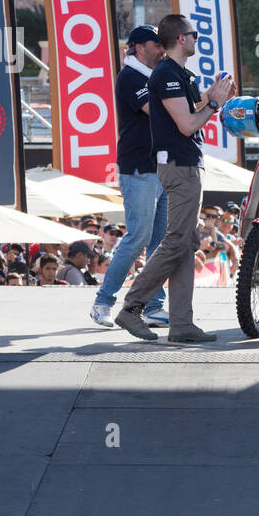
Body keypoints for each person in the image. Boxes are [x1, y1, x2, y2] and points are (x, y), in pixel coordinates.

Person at [115, 14, 235, 343]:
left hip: (185, 164)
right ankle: (132, 307)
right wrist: (213, 104)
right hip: (179, 165)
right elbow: (187, 125)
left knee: (187, 244)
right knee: (178, 240)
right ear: (181, 39)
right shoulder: (168, 73)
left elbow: (185, 110)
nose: (197, 39)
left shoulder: (176, 73)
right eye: (193, 34)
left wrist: (208, 97)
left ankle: (181, 323)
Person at [91, 26, 169, 328]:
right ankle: (103, 302)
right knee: (137, 239)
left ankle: (153, 306)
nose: (161, 49)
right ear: (138, 47)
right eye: (156, 44)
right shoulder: (130, 78)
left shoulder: (150, 76)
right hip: (139, 169)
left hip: (159, 168)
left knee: (159, 244)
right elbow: (160, 112)